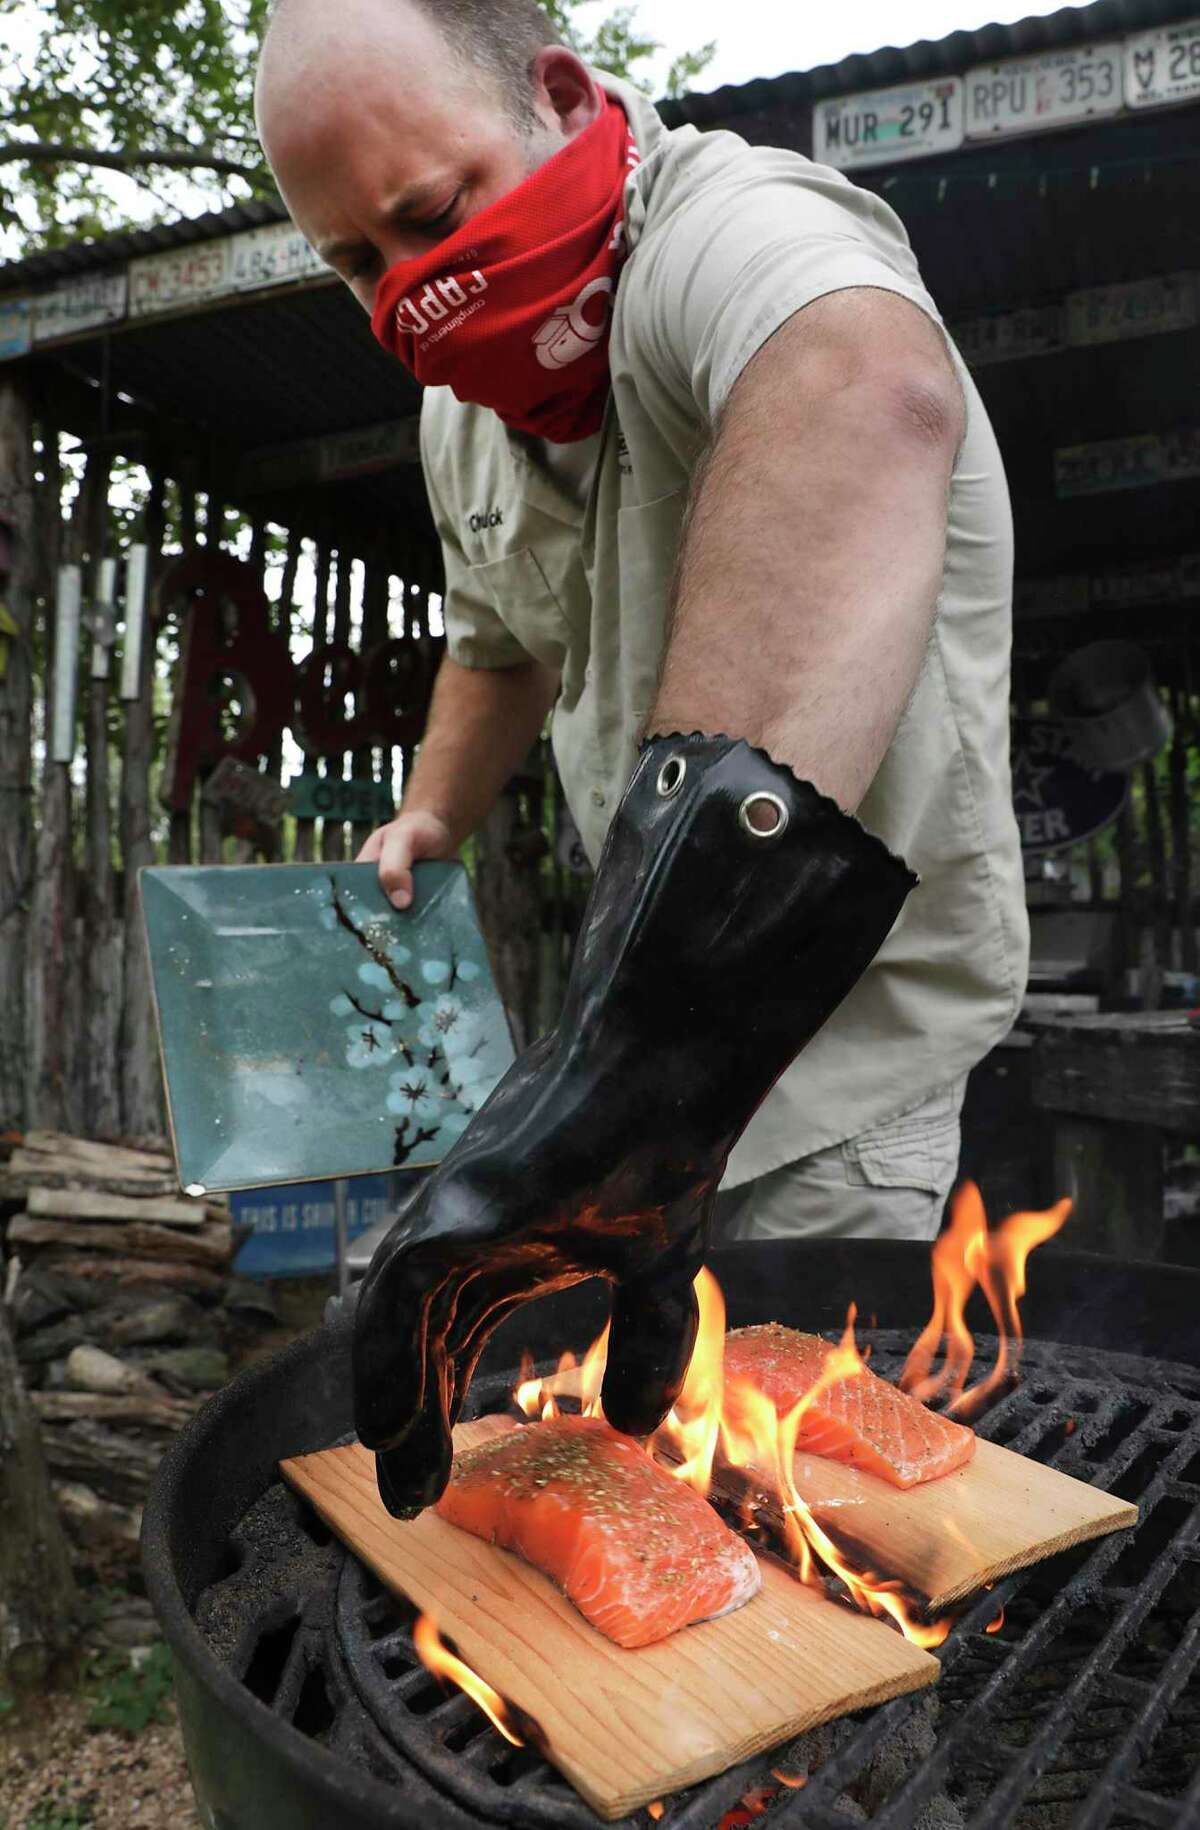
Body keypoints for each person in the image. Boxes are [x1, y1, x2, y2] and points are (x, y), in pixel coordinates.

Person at [255, 0, 1028, 1516]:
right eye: (356, 264)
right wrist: (430, 809)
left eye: (427, 216)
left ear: (559, 94)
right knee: (661, 1484)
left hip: (835, 1070)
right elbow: (497, 634)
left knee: (824, 1516)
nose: (408, 291)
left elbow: (865, 386)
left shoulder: (726, 230)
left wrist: (630, 1073)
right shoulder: (460, 410)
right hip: (641, 1071)